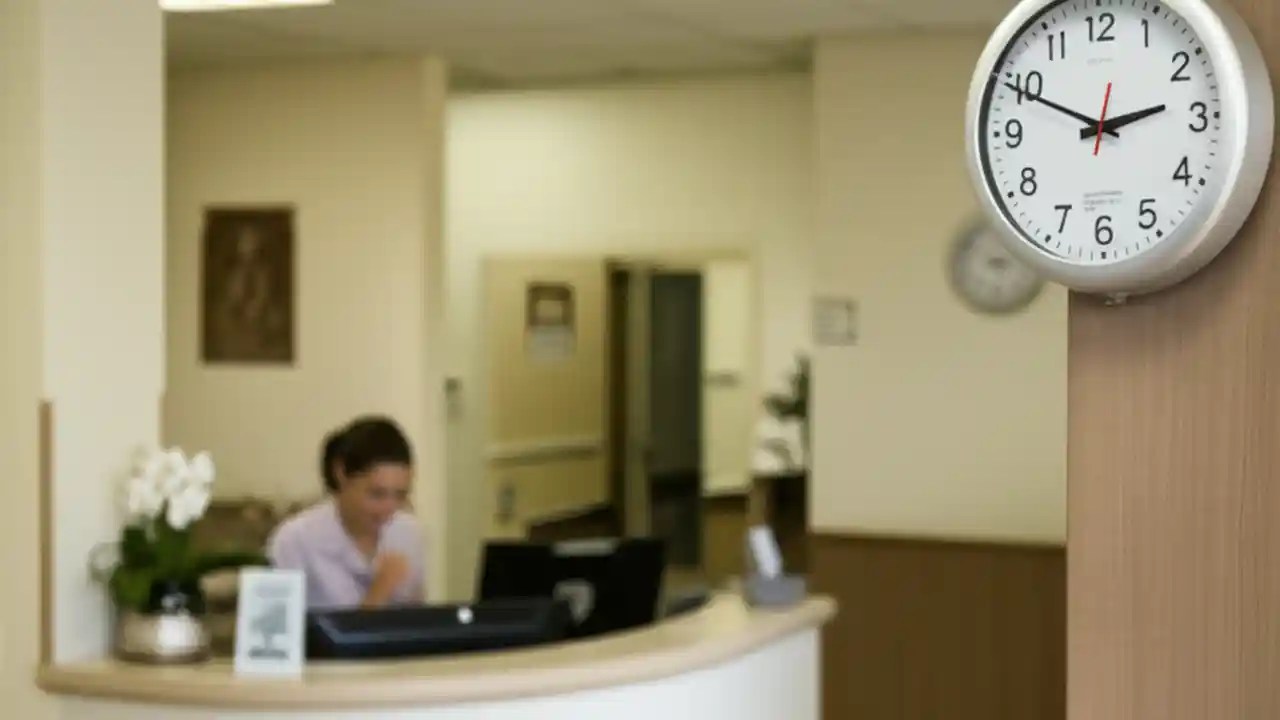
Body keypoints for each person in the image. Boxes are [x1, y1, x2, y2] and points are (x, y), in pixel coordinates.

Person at [267, 416, 426, 610]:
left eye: (400, 495)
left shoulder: (408, 533)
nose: (389, 509)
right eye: (377, 494)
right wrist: (379, 591)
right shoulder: (295, 541)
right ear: (341, 473)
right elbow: (280, 633)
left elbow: (416, 624)